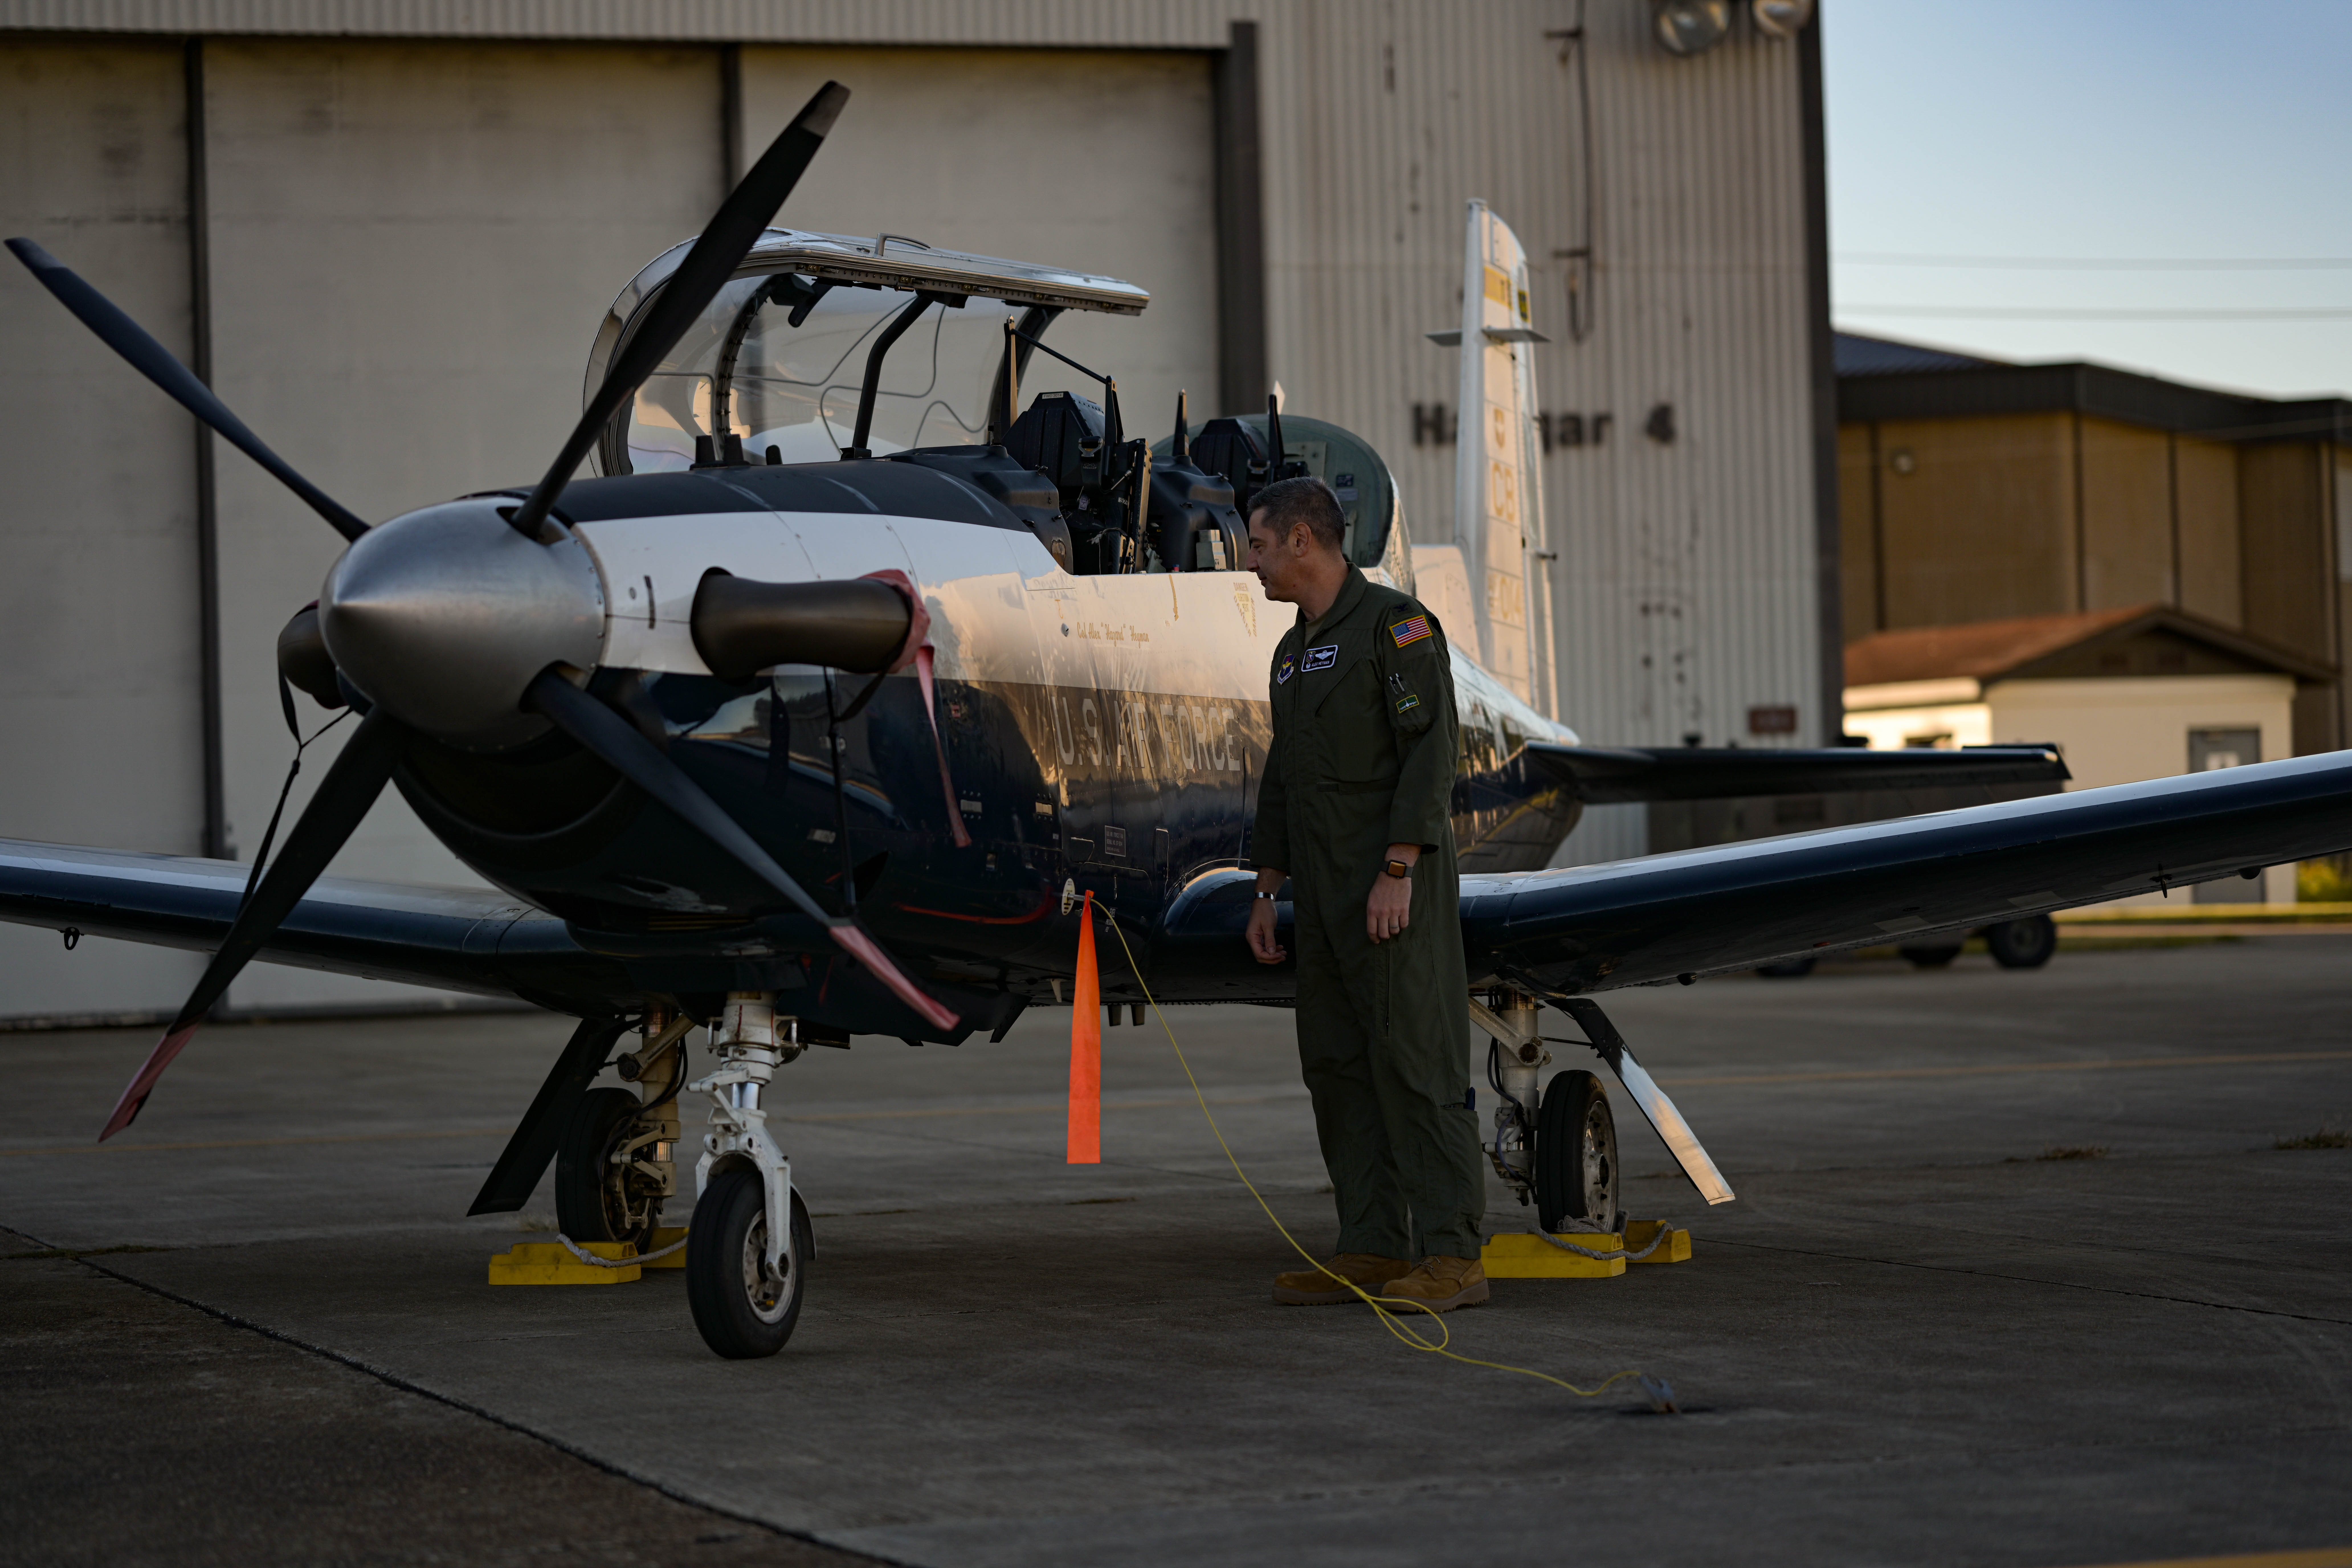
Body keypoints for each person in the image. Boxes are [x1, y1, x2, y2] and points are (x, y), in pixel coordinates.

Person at [1241, 475, 1487, 1312]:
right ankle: (1374, 1244)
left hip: (1392, 892)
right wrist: (1267, 888)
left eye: (1259, 545)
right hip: (1321, 900)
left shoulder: (1396, 627)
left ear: (1302, 541)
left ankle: (1455, 1255)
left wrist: (1399, 868)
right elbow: (1285, 776)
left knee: (1416, 1062)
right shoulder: (1291, 654)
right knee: (1339, 1068)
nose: (1252, 563)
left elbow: (1430, 751)